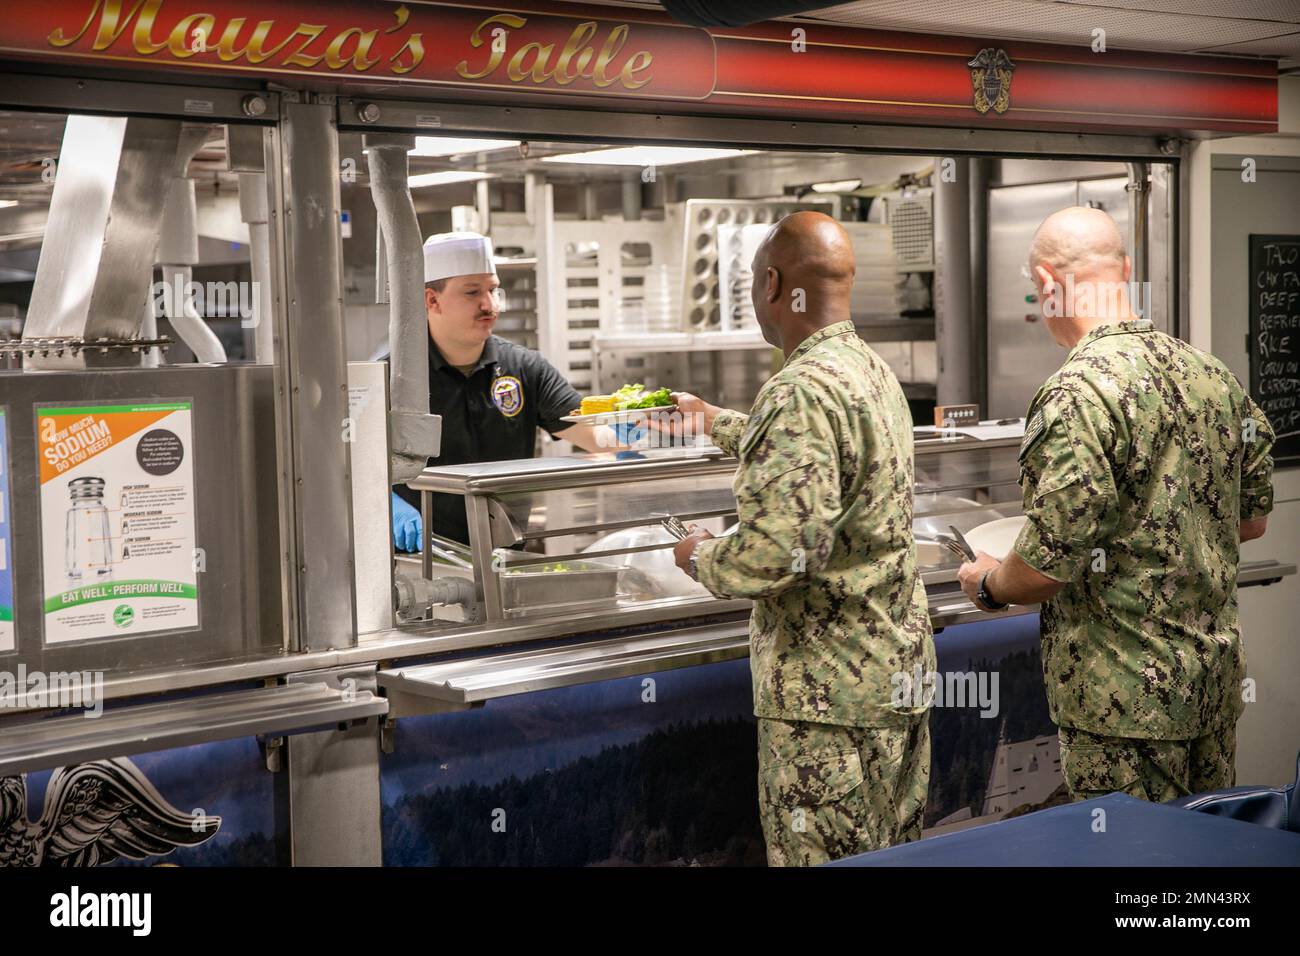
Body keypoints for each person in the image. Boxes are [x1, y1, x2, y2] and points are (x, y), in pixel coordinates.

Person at [957, 206, 1275, 803]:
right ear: (1125, 268)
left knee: (1129, 868)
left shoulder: (1077, 393)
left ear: (1049, 285)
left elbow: (1046, 568)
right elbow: (1251, 520)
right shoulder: (1213, 375)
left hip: (1122, 704)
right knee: (1203, 859)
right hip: (1210, 687)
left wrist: (989, 584)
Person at [670, 211, 934, 866]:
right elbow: (819, 450)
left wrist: (698, 552)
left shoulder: (797, 393)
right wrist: (716, 423)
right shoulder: (870, 373)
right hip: (895, 682)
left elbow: (772, 559)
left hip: (827, 706)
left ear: (771, 284)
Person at [390, 232, 616, 549]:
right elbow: (352, 468)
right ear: (432, 300)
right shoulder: (394, 378)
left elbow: (592, 435)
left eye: (493, 290)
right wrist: (388, 504)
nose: (490, 304)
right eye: (472, 292)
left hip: (505, 554)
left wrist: (625, 431)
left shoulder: (525, 368)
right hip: (421, 559)